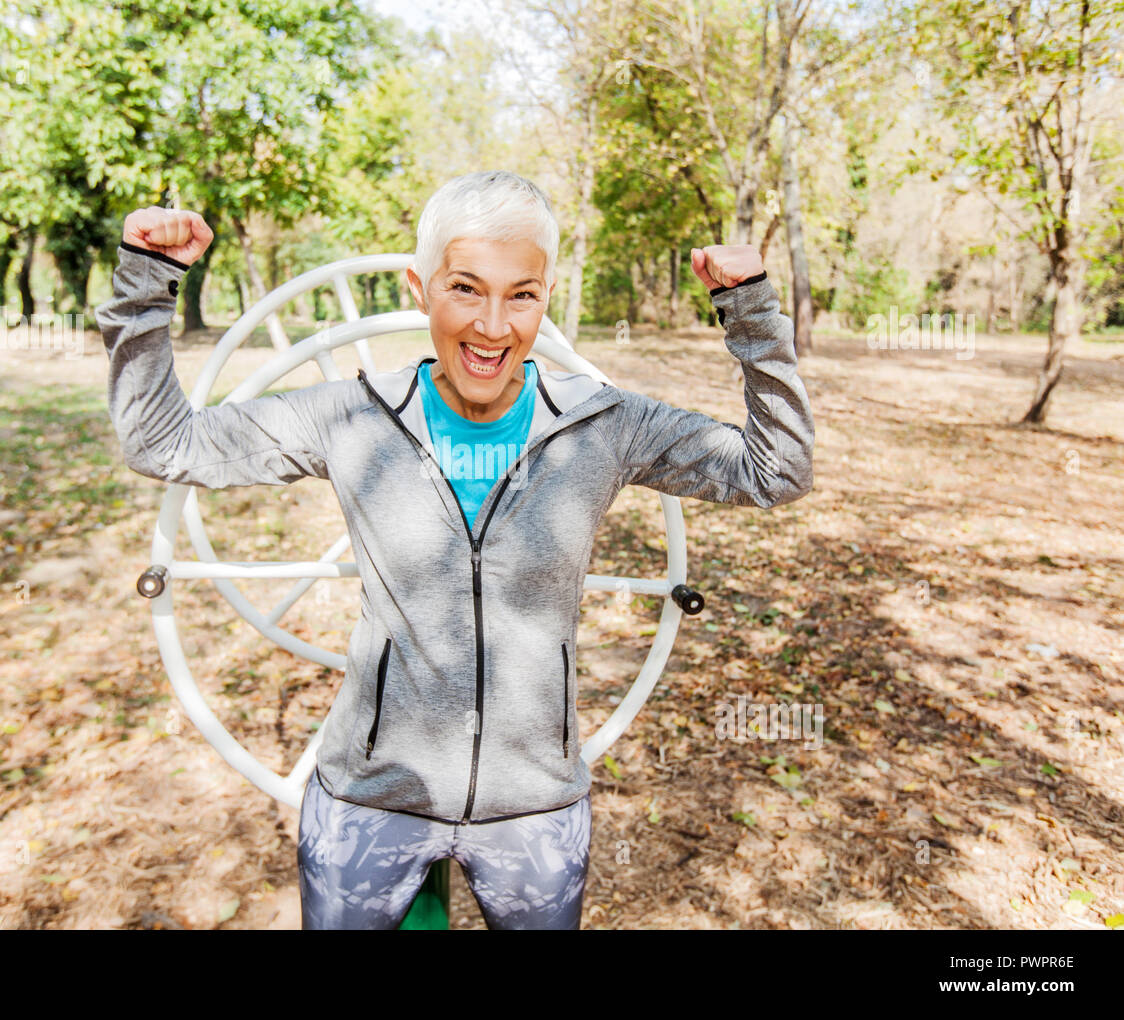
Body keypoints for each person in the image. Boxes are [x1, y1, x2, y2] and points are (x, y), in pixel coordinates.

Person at [94, 170, 815, 929]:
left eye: (522, 295)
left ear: (547, 295)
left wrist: (752, 312)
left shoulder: (604, 425)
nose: (493, 327)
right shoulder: (352, 417)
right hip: (369, 800)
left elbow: (777, 471)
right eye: (465, 289)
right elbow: (163, 442)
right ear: (420, 286)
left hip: (532, 806)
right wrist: (149, 281)